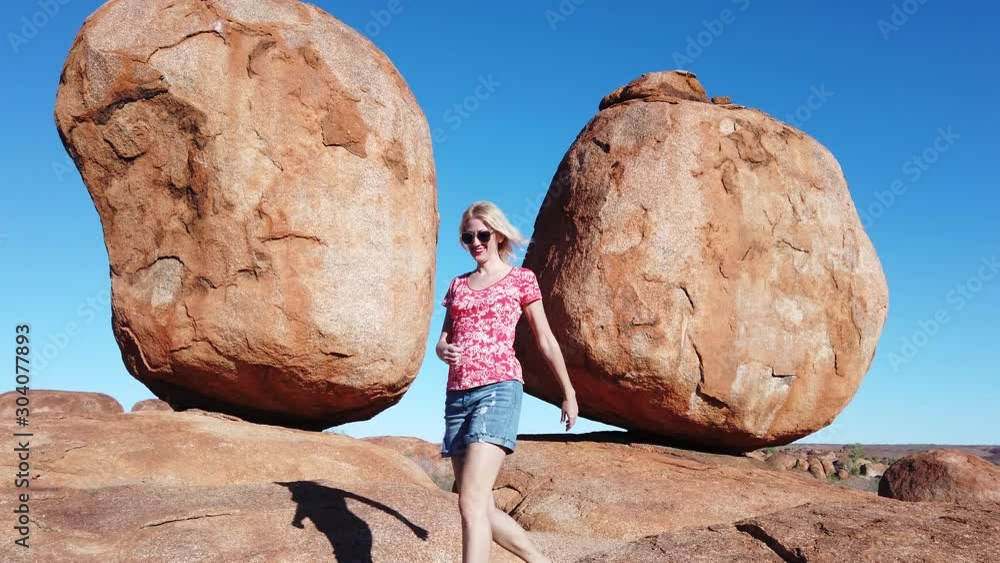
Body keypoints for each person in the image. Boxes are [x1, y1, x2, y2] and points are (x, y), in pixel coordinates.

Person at [436, 200, 578, 563]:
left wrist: (568, 391)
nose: (476, 242)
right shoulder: (457, 286)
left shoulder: (520, 280)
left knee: (469, 503)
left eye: (482, 234)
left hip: (498, 390)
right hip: (458, 396)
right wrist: (443, 350)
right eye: (468, 237)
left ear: (497, 234)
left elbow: (545, 338)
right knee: (480, 506)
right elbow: (444, 338)